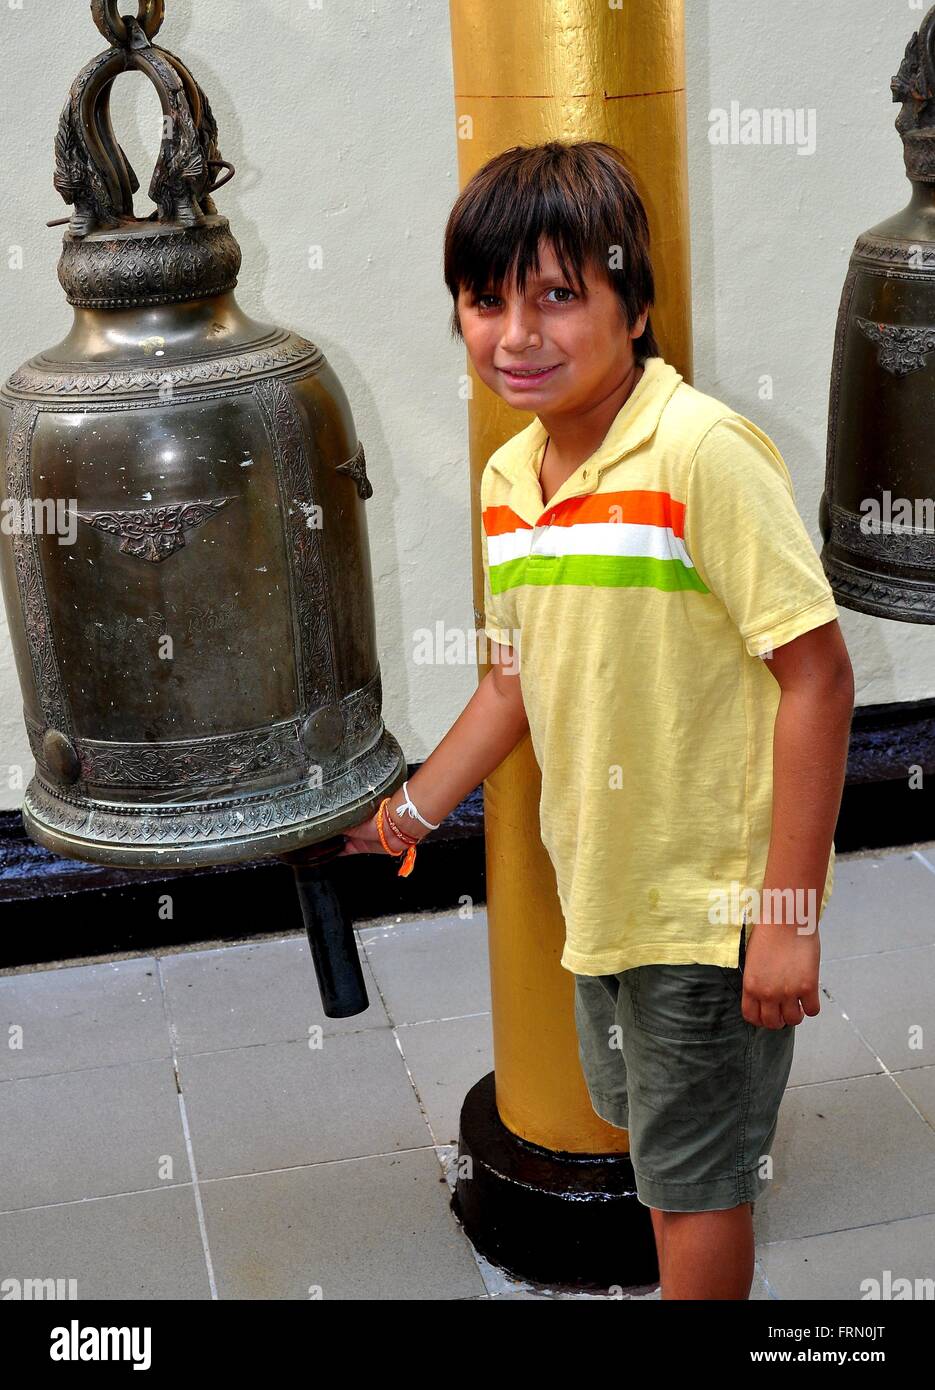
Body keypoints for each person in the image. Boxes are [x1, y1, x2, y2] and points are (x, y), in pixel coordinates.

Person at [338, 140, 855, 1299]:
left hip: (707, 905)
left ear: (634, 304)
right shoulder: (510, 481)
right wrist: (410, 812)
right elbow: (513, 681)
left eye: (556, 295)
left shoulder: (699, 455)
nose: (514, 334)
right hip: (604, 895)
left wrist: (784, 917)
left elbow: (817, 679)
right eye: (484, 300)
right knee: (661, 1157)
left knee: (693, 1188)